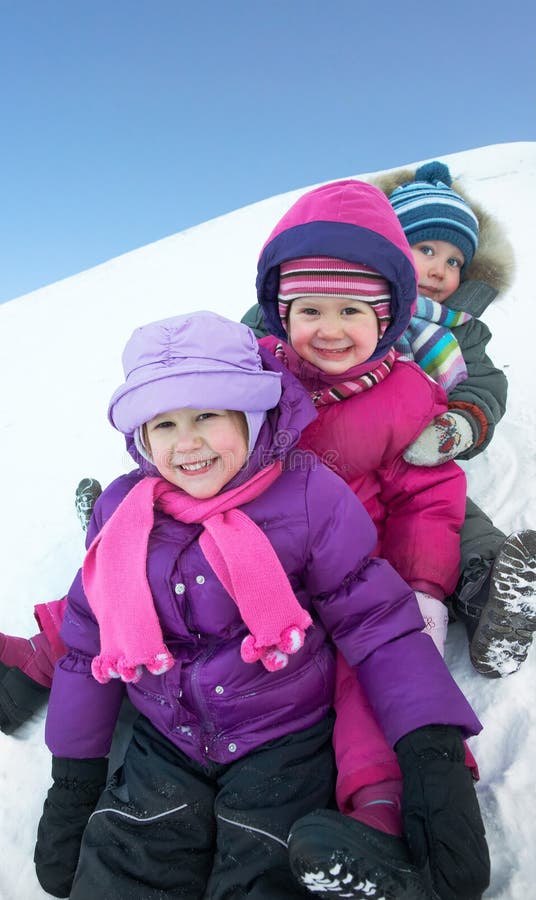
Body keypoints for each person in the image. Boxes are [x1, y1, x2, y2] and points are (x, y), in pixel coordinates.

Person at [32, 310, 487, 900]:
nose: (187, 442)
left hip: (284, 742)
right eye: (163, 424)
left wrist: (432, 749)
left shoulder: (305, 496)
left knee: (261, 875)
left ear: (252, 414)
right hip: (164, 746)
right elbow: (89, 645)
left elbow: (377, 624)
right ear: (140, 437)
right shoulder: (122, 514)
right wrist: (72, 778)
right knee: (124, 874)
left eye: (207, 416)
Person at [244, 160, 536, 679]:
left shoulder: (462, 331)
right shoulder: (334, 295)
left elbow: (485, 385)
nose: (441, 269)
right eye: (425, 250)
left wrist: (460, 425)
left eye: (454, 261)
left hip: (412, 441)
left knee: (441, 506)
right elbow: (256, 335)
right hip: (313, 432)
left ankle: (486, 586)